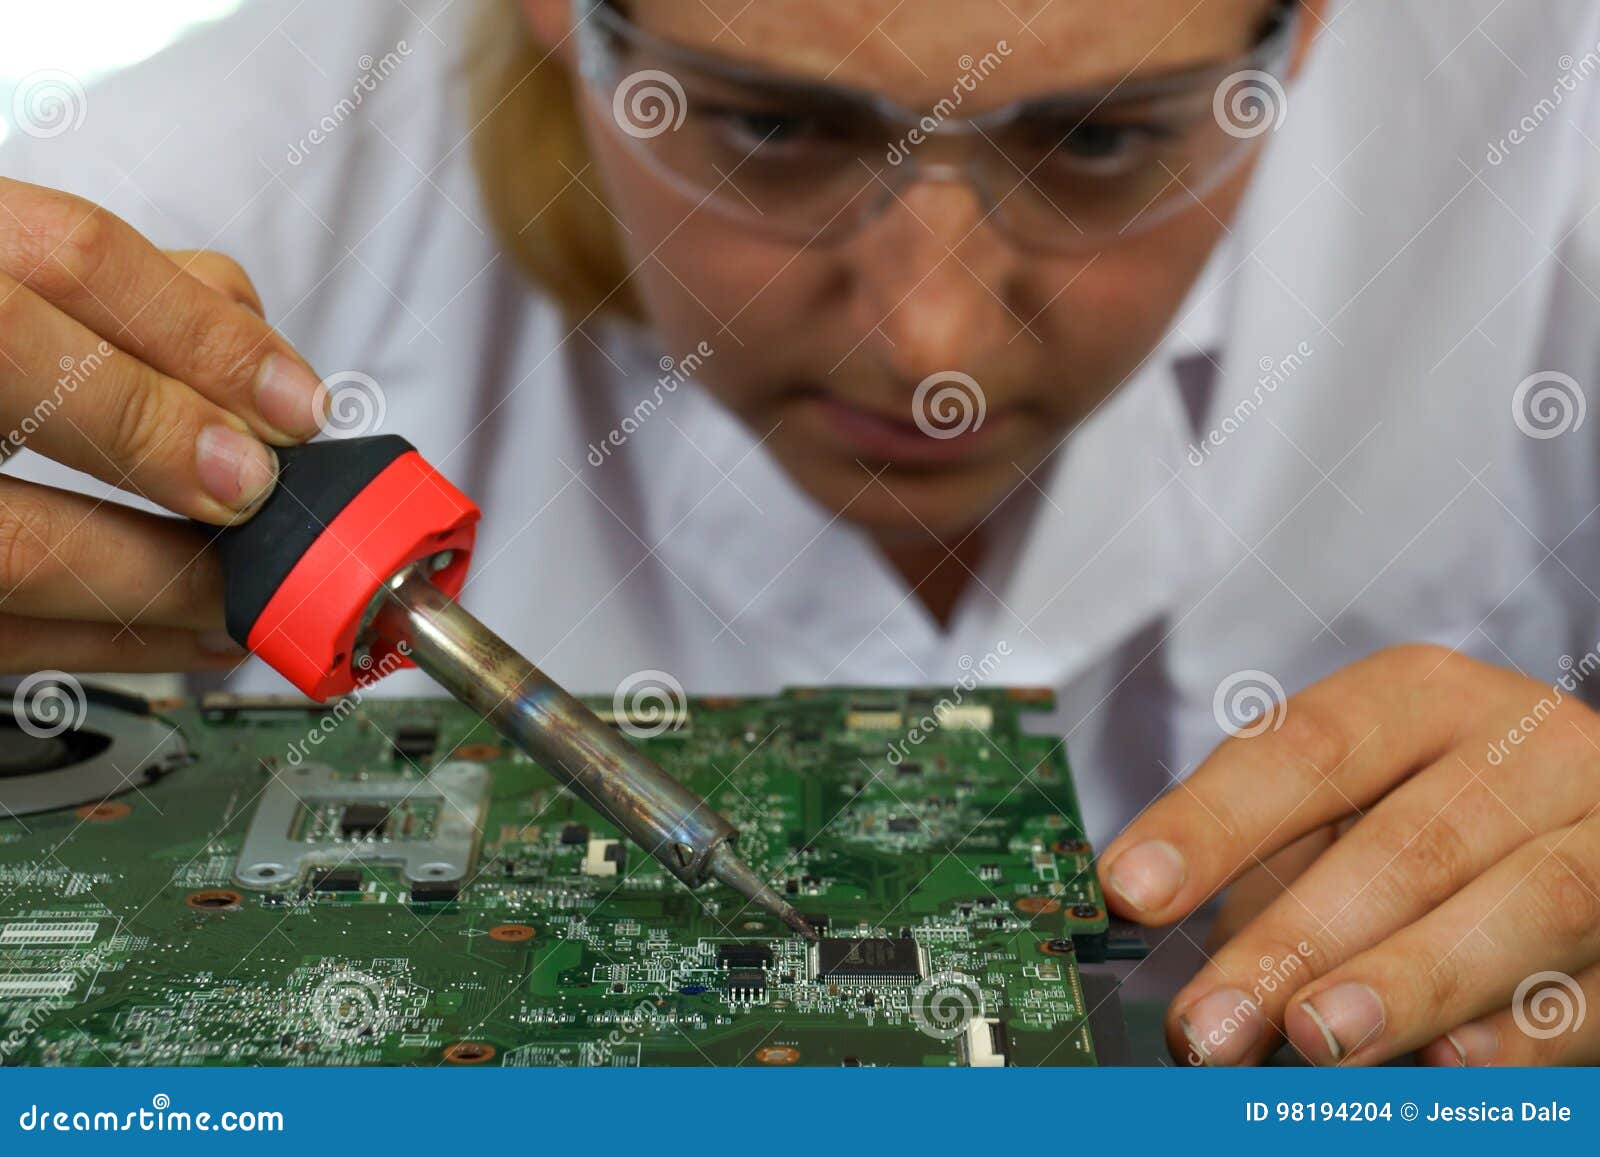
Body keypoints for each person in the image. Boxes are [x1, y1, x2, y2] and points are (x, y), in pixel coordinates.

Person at [2, 0, 1598, 1067]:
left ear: (1300, 29)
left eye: (1101, 141)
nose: (933, 347)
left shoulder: (1554, 132)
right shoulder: (176, 202)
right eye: (770, 128)